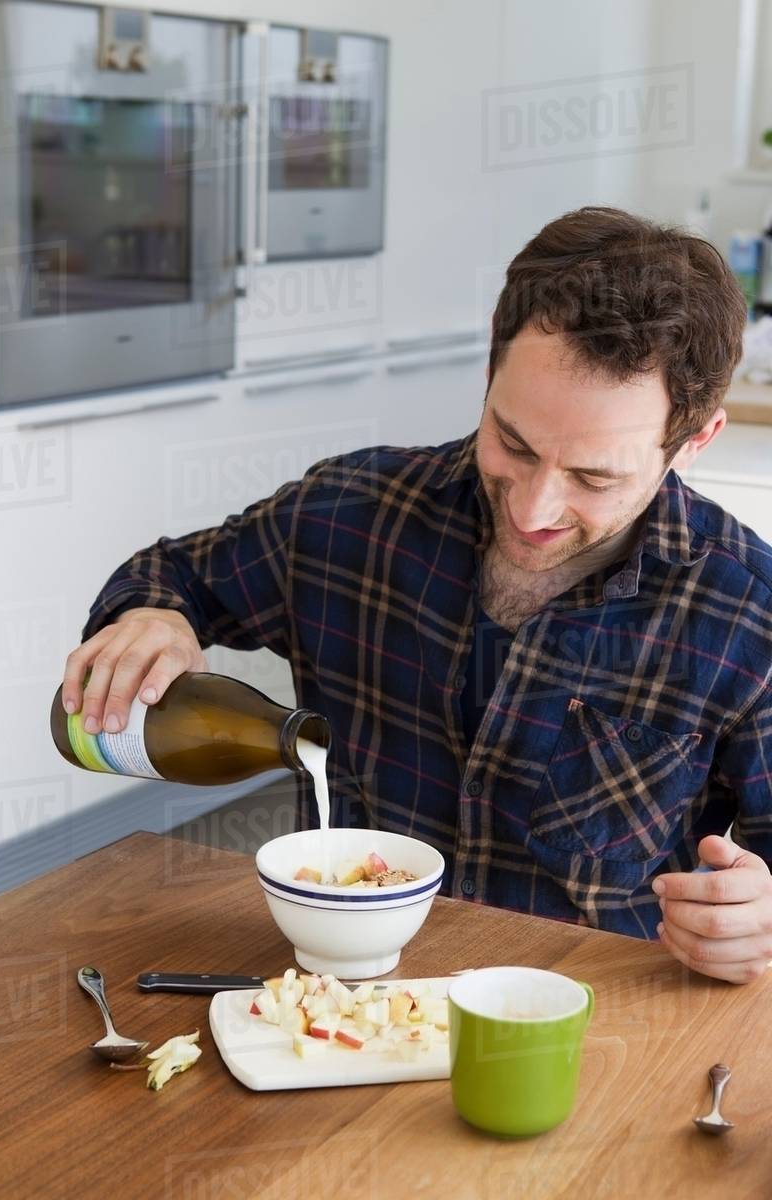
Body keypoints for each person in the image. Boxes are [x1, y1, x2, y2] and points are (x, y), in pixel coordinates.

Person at [63, 206, 772, 984]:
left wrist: (754, 920)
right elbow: (172, 575)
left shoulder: (747, 613)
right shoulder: (350, 515)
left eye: (593, 477)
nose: (534, 509)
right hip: (344, 1017)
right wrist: (150, 615)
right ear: (490, 373)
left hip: (580, 1040)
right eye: (514, 442)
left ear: (695, 439)